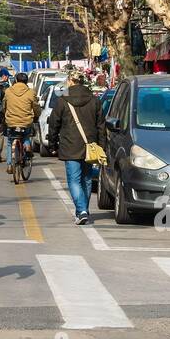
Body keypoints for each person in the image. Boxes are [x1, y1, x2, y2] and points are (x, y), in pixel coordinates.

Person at [47, 71, 106, 225]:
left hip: (70, 146)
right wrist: (102, 146)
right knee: (86, 179)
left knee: (74, 180)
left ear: (70, 81)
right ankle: (83, 210)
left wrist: (52, 144)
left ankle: (82, 211)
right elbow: (101, 126)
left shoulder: (62, 101)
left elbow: (54, 124)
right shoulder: (95, 100)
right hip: (90, 146)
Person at [1, 71, 40, 174]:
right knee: (26, 137)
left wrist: (5, 115)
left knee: (10, 142)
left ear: (16, 80)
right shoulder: (31, 92)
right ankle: (27, 147)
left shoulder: (8, 91)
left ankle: (9, 165)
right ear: (26, 82)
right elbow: (36, 107)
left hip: (11, 122)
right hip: (26, 122)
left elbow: (4, 105)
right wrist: (37, 116)